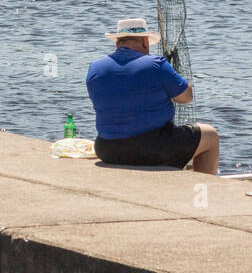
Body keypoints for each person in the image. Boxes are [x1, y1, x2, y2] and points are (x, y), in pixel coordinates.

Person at [86, 18, 219, 174]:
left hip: (107, 149)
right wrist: (174, 76)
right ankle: (204, 188)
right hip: (150, 150)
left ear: (117, 43)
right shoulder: (157, 64)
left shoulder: (95, 68)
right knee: (210, 135)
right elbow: (185, 97)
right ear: (145, 42)